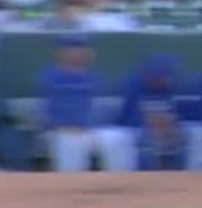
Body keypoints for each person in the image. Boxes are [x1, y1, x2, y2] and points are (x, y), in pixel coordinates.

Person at [38, 35, 122, 172]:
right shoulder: (51, 77)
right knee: (71, 142)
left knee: (118, 138)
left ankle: (120, 184)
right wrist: (65, 127)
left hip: (91, 129)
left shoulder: (96, 77)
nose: (77, 53)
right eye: (72, 50)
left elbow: (99, 111)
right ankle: (71, 188)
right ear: (62, 53)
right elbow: (52, 110)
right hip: (61, 130)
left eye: (82, 50)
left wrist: (93, 126)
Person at [108, 53, 185, 172]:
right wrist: (153, 122)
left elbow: (173, 114)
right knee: (147, 139)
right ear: (154, 74)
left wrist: (171, 123)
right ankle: (146, 181)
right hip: (130, 130)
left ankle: (179, 178)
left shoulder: (167, 89)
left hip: (159, 129)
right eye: (166, 75)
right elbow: (128, 118)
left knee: (180, 135)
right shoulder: (132, 85)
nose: (169, 79)